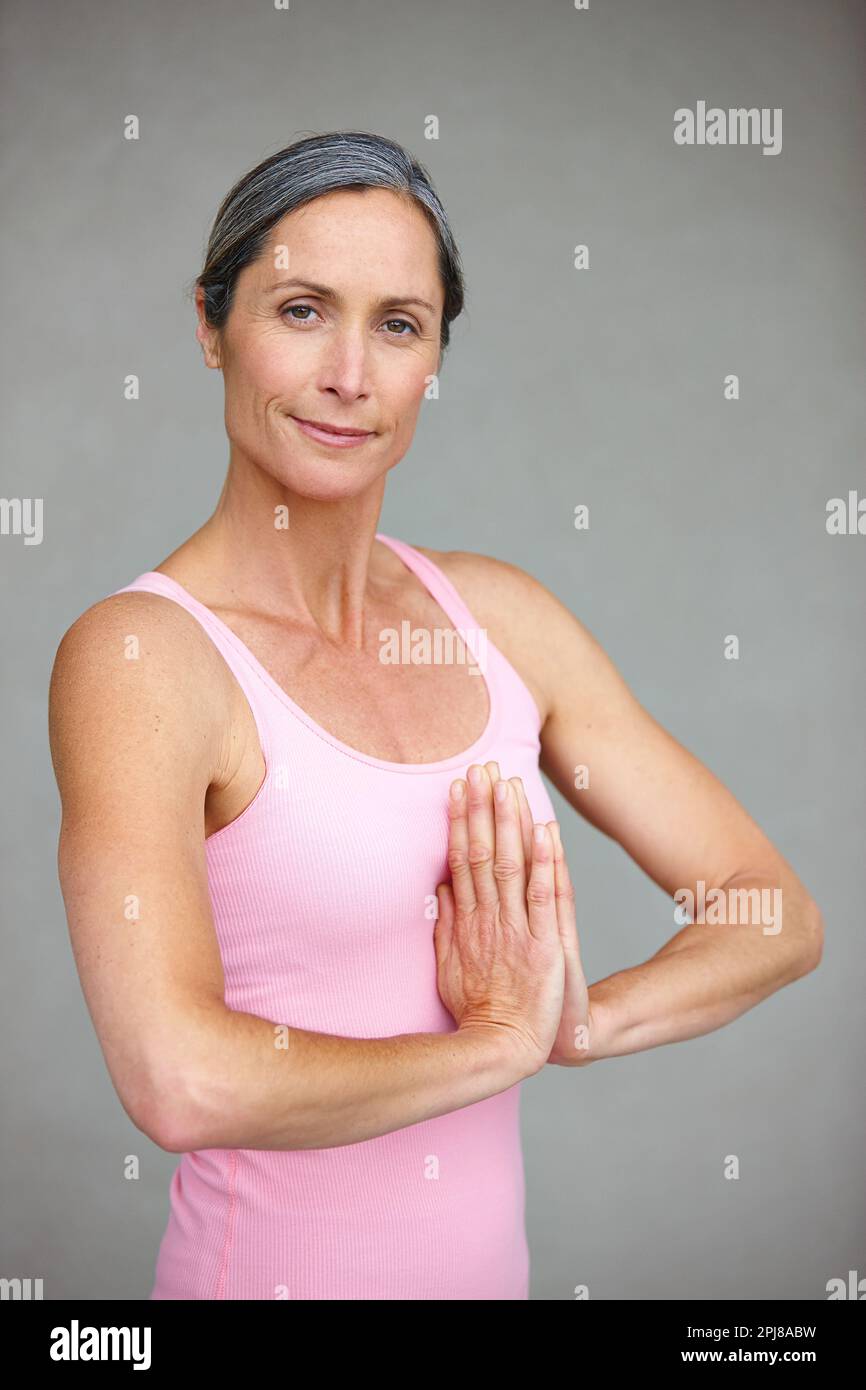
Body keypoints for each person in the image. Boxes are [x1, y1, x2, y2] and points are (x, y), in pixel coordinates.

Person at [48, 131, 823, 1301]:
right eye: (301, 309)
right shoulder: (143, 657)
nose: (349, 374)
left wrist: (578, 1022)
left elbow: (772, 915)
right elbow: (177, 1080)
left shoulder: (500, 618)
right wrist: (483, 1051)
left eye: (398, 324)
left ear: (432, 362)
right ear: (211, 326)